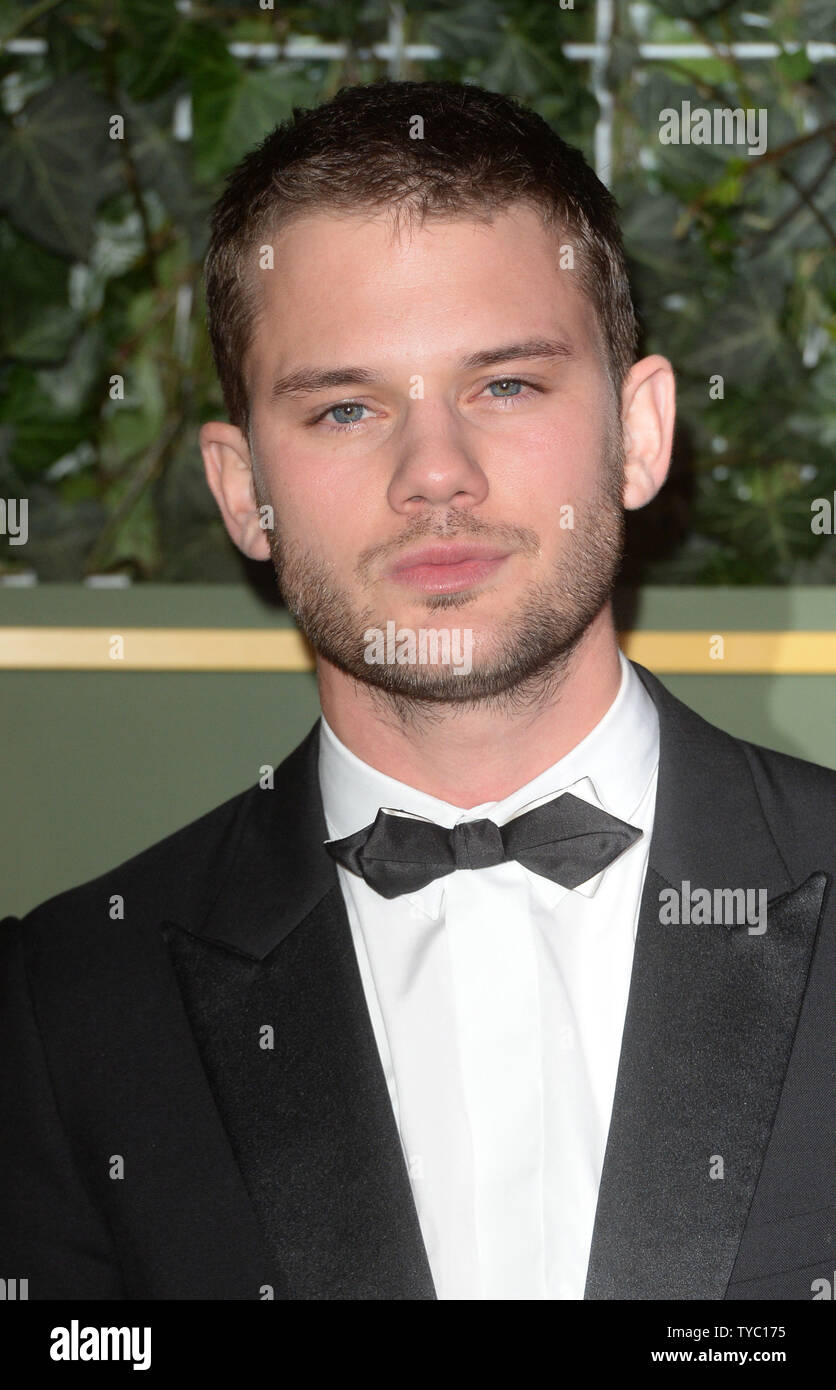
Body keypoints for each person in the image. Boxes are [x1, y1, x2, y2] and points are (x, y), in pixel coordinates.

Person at [2, 79, 834, 1302]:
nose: (433, 474)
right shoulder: (65, 1007)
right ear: (242, 492)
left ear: (640, 431)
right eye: (344, 407)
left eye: (504, 384)